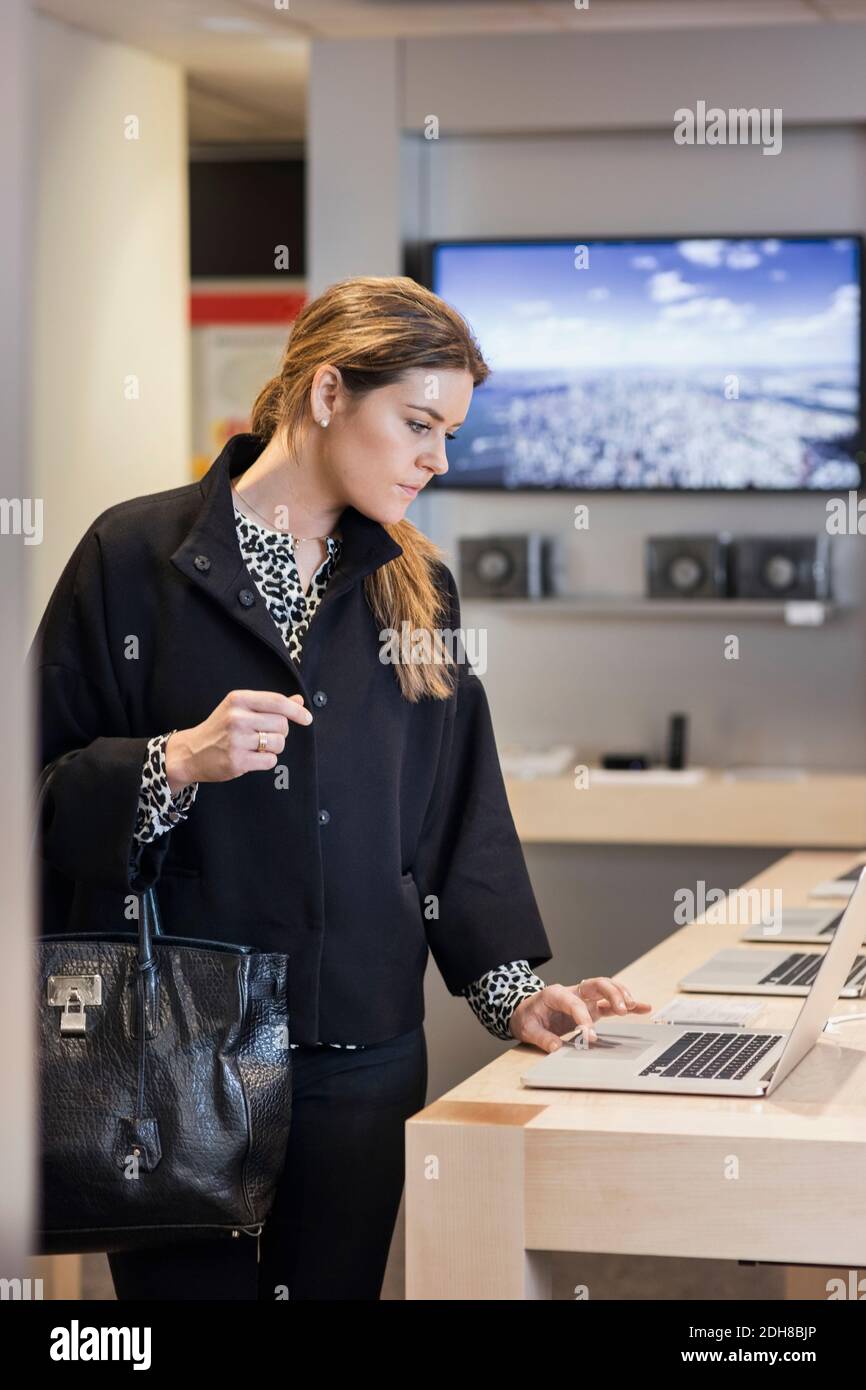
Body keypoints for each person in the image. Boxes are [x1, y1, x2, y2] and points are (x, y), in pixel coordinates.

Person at [31, 275, 650, 1300]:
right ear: (326, 394)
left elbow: (454, 812)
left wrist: (512, 995)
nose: (435, 460)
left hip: (363, 1050)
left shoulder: (418, 586)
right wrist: (171, 762)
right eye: (416, 423)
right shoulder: (129, 558)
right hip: (171, 1046)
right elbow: (36, 792)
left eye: (448, 432)